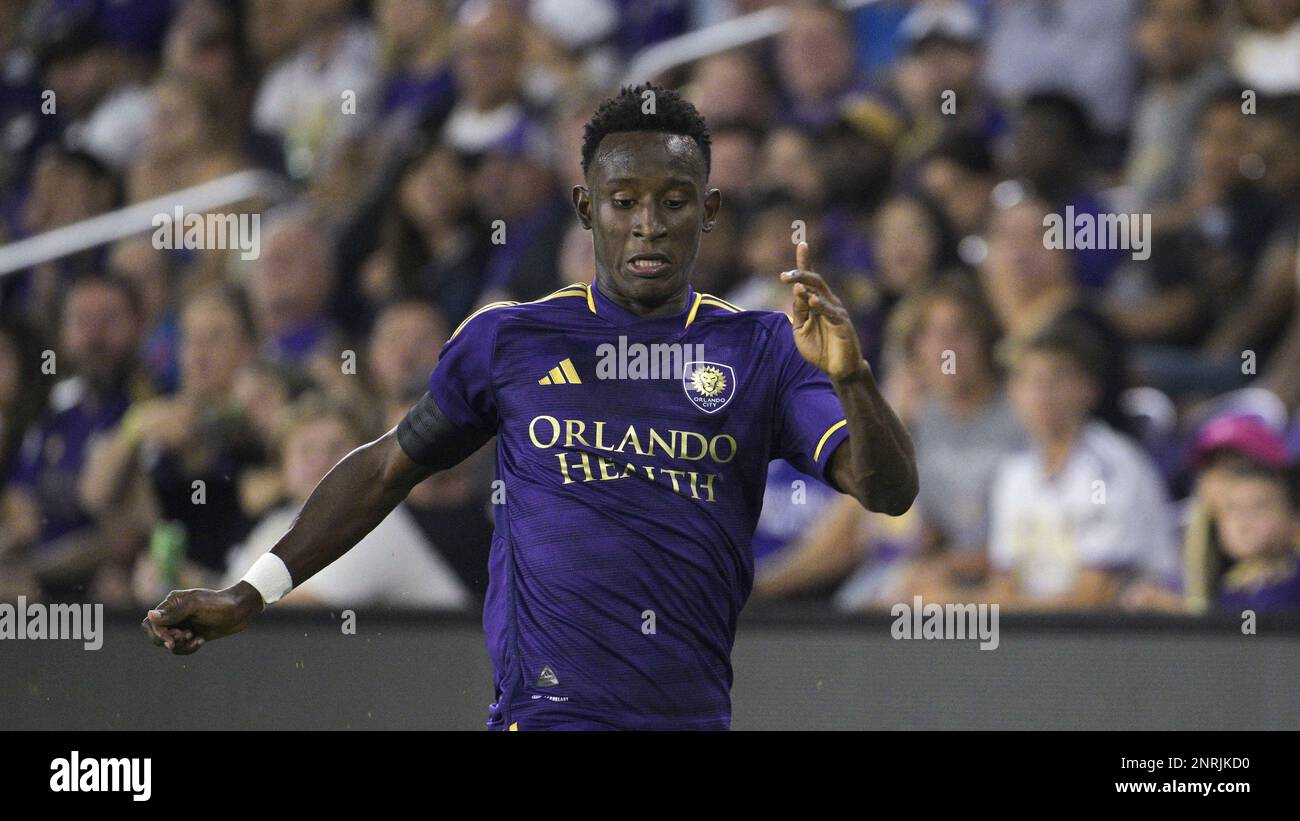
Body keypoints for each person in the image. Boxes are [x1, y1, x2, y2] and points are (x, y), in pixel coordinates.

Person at [142, 83, 918, 731]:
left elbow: (889, 491)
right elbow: (384, 468)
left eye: (675, 201)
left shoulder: (766, 350)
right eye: (624, 201)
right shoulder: (510, 340)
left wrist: (853, 378)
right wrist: (251, 592)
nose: (649, 223)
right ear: (586, 207)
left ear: (709, 209)